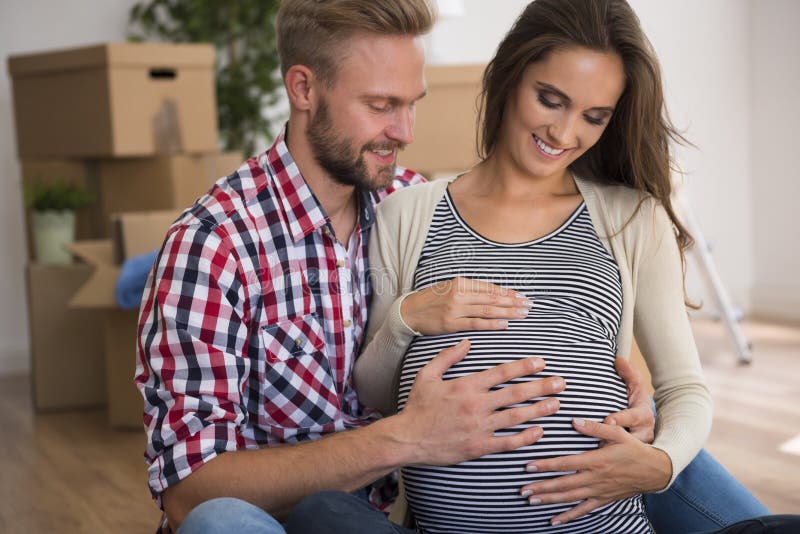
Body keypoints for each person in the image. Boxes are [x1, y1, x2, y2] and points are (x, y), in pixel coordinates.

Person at [135, 0, 771, 533]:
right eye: (383, 105)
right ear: (303, 88)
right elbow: (190, 492)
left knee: (696, 468)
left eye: (414, 102)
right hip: (319, 516)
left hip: (457, 510)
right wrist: (412, 433)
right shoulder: (214, 245)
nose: (406, 130)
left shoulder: (398, 194)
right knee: (227, 519)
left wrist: (650, 421)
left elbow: (634, 361)